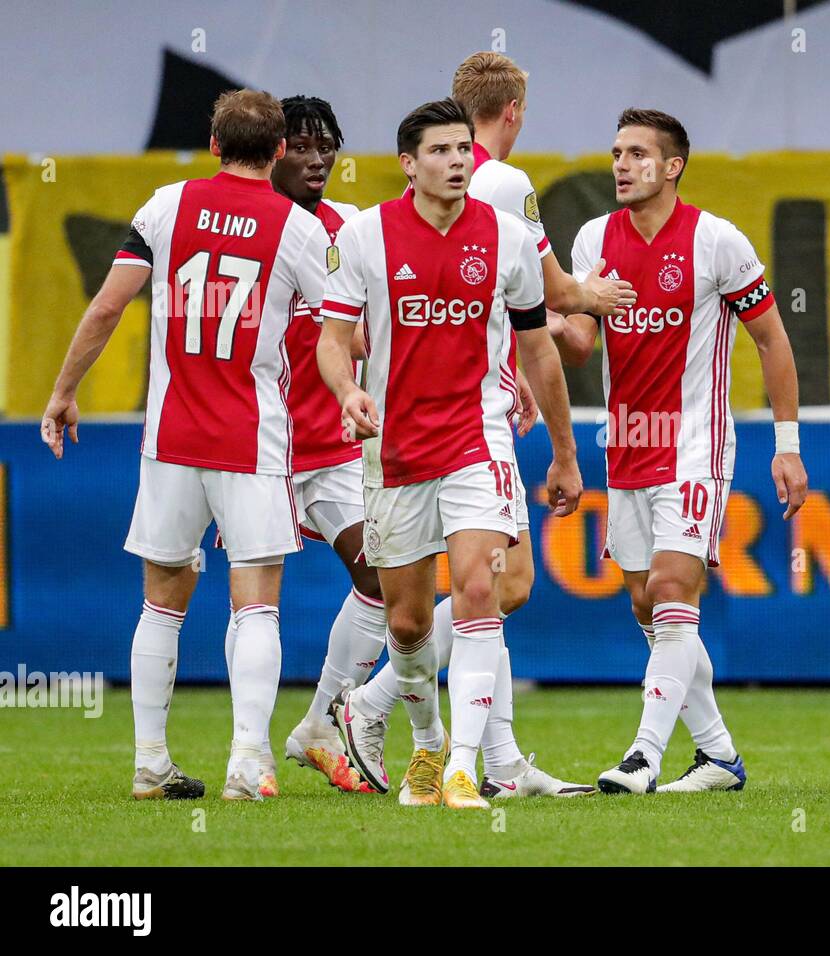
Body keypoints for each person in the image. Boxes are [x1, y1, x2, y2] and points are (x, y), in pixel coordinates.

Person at [337, 52, 632, 799]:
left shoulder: (487, 220)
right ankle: (399, 722)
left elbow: (535, 323)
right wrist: (594, 298)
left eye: (459, 149)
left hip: (479, 429)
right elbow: (558, 300)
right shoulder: (490, 197)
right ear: (514, 112)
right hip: (403, 440)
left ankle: (475, 765)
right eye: (440, 151)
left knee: (484, 585)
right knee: (419, 617)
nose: (457, 162)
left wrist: (554, 423)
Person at [40, 89, 332, 801]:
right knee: (256, 605)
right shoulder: (297, 229)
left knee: (161, 603)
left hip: (170, 439)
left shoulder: (166, 205)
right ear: (281, 150)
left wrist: (63, 391)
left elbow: (109, 304)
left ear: (213, 145)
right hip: (251, 439)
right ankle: (247, 764)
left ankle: (148, 763)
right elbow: (339, 327)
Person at [549, 109, 808, 794]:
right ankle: (719, 756)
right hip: (627, 447)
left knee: (670, 589)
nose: (621, 165)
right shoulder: (593, 238)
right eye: (616, 152)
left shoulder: (716, 241)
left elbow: (772, 340)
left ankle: (642, 755)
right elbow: (579, 343)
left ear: (673, 166)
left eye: (637, 153)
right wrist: (540, 312)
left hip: (695, 445)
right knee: (647, 605)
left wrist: (787, 446)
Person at [215, 95, 377, 797]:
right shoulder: (244, 232)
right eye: (302, 145)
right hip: (261, 449)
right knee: (246, 603)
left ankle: (317, 723)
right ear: (274, 151)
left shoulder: (352, 231)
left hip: (338, 452)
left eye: (327, 146)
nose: (317, 159)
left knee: (381, 577)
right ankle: (237, 750)